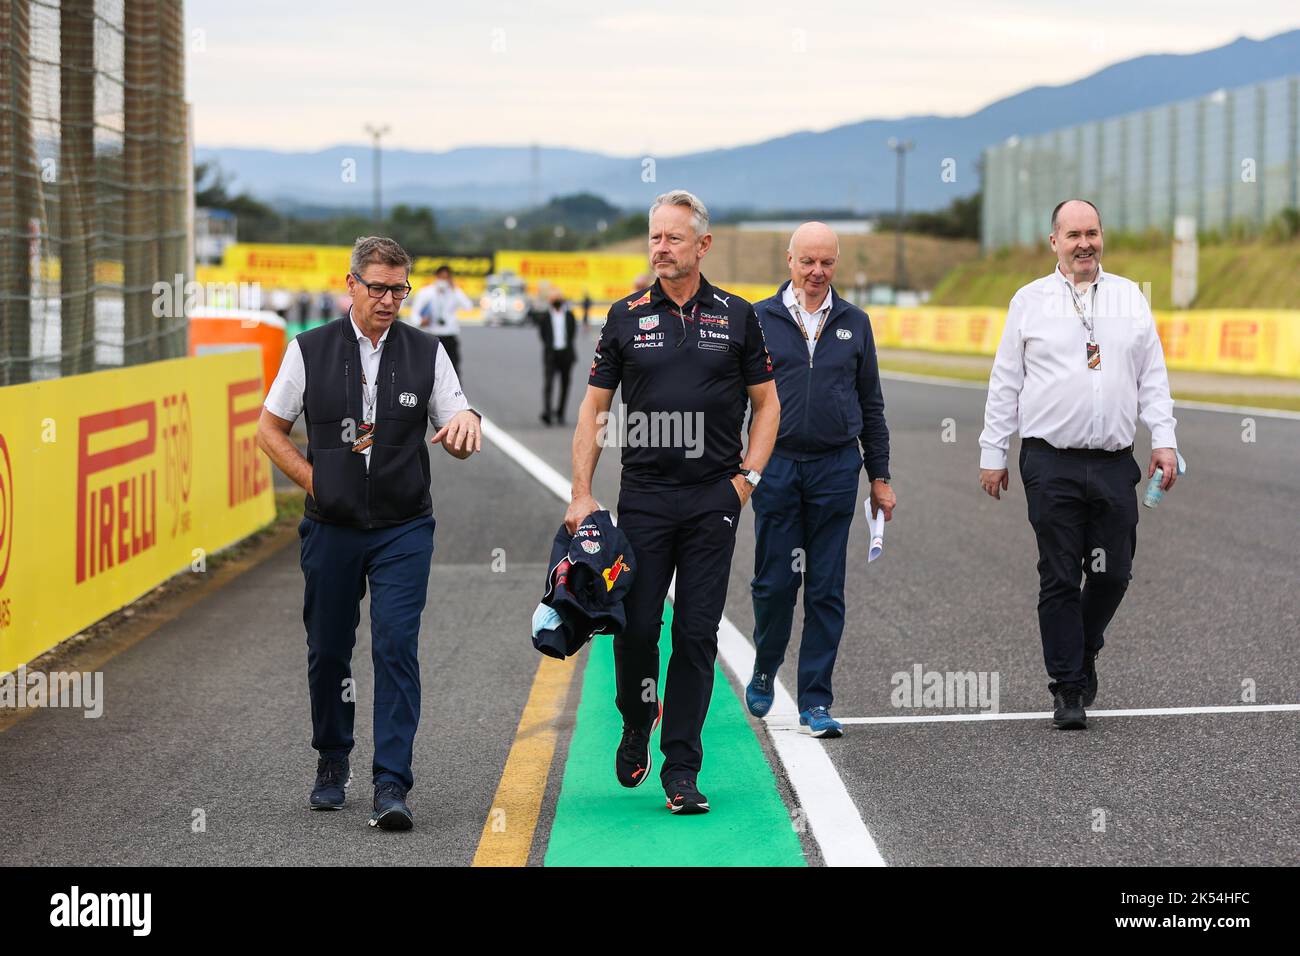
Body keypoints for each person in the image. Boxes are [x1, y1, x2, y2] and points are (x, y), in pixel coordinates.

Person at [256, 236, 483, 830]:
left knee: (395, 645)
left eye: (398, 289)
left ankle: (391, 782)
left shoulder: (428, 351)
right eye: (378, 287)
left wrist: (464, 422)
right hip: (330, 527)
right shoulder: (308, 350)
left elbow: (456, 417)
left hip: (403, 526)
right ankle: (333, 760)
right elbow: (269, 430)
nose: (388, 299)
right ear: (350, 285)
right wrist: (317, 482)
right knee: (329, 647)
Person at [567, 189, 780, 814]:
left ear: (702, 245)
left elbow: (767, 405)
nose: (661, 247)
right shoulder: (626, 315)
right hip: (645, 500)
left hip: (714, 497)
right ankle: (638, 717)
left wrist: (748, 480)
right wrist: (581, 493)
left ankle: (681, 768)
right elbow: (595, 409)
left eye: (674, 238)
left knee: (695, 634)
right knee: (635, 628)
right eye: (654, 237)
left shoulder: (738, 316)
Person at [978, 199, 1178, 731]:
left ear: (1101, 237)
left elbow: (1152, 375)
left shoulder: (1130, 298)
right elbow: (1006, 381)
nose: (1084, 243)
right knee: (1061, 574)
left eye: (1092, 233)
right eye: (1073, 235)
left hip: (1114, 462)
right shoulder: (1029, 301)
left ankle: (1085, 647)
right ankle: (1067, 686)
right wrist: (992, 452)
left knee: (1113, 573)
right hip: (1050, 462)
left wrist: (1165, 440)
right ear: (1054, 242)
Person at [744, 222, 894, 737]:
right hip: (776, 466)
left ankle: (815, 700)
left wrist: (880, 476)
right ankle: (766, 664)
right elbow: (733, 399)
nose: (817, 271)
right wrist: (737, 469)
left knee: (826, 590)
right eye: (808, 261)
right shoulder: (758, 318)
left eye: (826, 262)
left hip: (835, 469)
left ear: (837, 264)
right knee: (774, 584)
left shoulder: (856, 322)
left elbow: (871, 404)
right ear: (789, 260)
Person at [410, 264, 472, 372]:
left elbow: (468, 306)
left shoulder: (454, 292)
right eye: (442, 277)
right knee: (429, 370)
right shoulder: (426, 292)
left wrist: (455, 289)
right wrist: (420, 321)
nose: (444, 280)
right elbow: (414, 314)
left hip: (449, 336)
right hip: (431, 336)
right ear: (436, 277)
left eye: (447, 278)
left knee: (453, 370)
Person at [533, 287, 578, 426]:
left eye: (558, 298)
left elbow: (572, 333)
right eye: (553, 299)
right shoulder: (545, 316)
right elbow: (542, 334)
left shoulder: (569, 315)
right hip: (551, 354)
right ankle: (547, 412)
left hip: (566, 354)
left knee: (565, 385)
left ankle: (560, 413)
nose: (556, 301)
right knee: (549, 384)